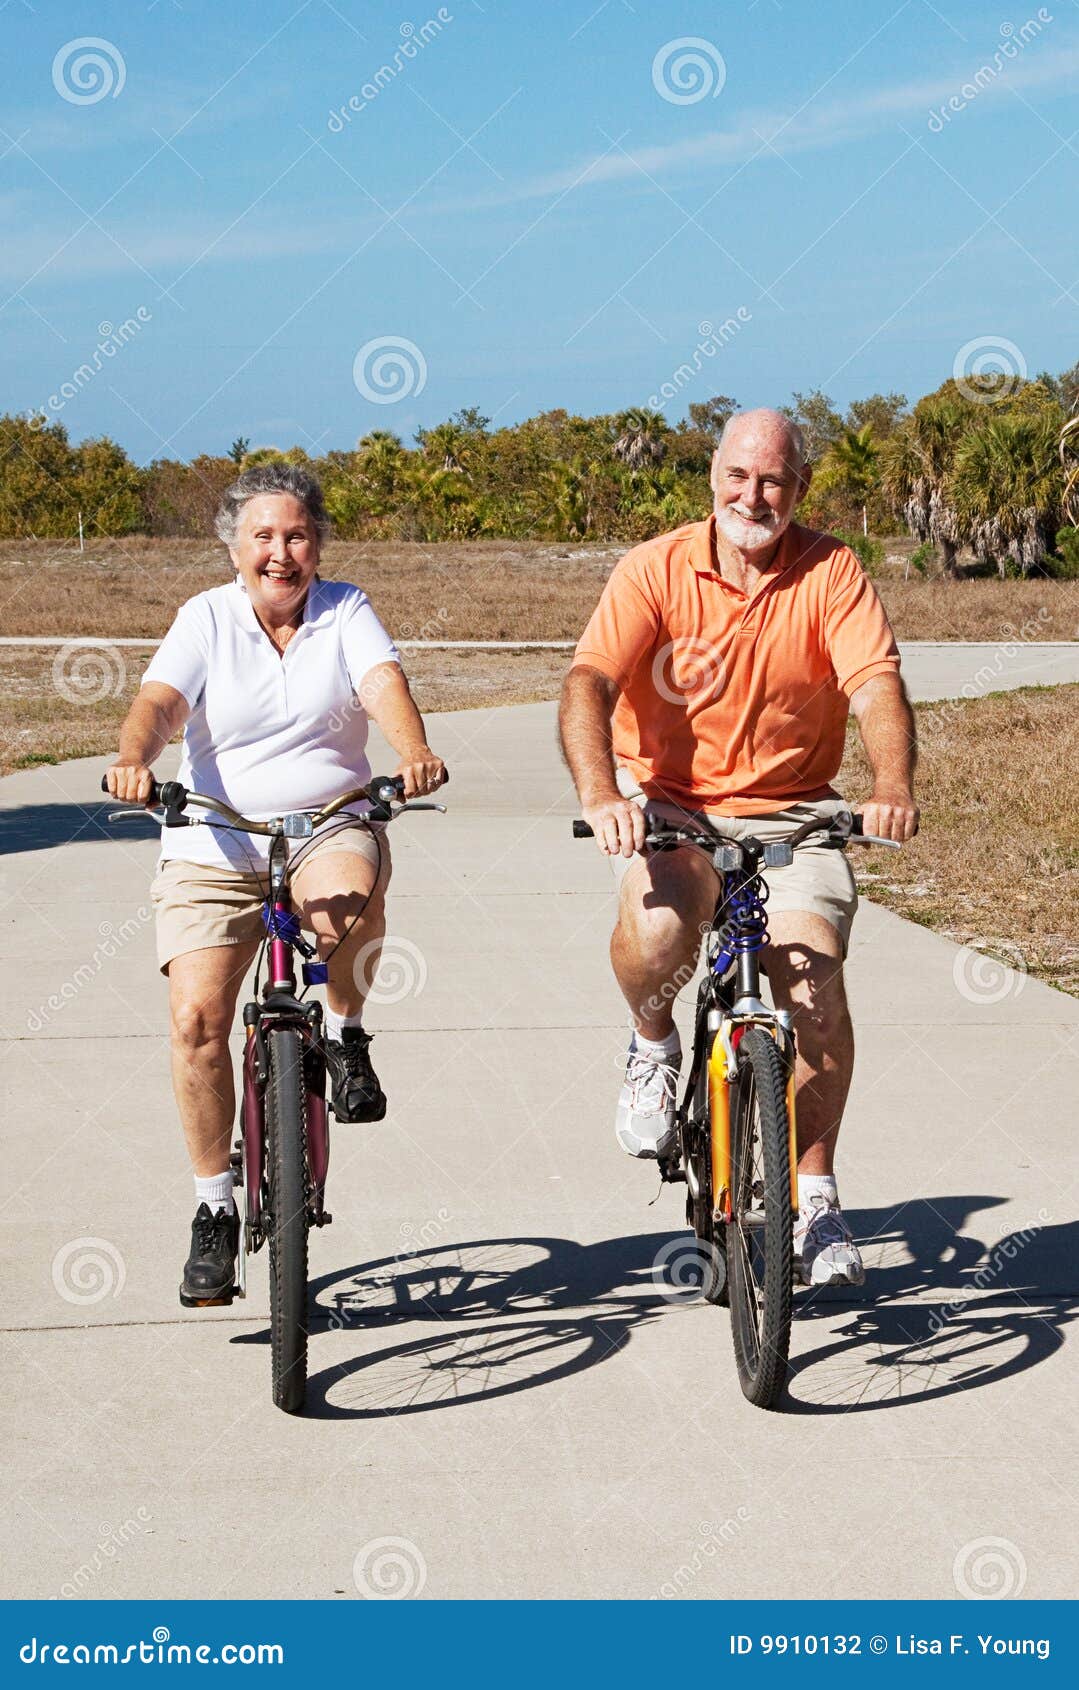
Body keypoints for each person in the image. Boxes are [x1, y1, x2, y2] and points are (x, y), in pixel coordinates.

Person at [559, 408, 918, 1287]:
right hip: (674, 809)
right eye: (736, 476)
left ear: (797, 489)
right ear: (711, 476)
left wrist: (891, 787)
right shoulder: (655, 566)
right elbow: (589, 681)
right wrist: (604, 796)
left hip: (795, 814)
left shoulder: (831, 569)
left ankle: (817, 1198)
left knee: (813, 990)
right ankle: (652, 1048)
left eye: (772, 481)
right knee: (657, 935)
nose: (751, 496)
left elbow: (874, 683)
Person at [106, 462, 446, 1306]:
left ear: (318, 543)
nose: (280, 553)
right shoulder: (206, 618)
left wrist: (411, 753)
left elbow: (381, 685)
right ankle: (213, 1209)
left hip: (325, 818)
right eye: (262, 536)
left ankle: (345, 1029)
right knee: (195, 1022)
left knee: (346, 899)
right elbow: (159, 703)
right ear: (233, 547)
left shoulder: (347, 610)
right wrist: (132, 761)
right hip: (213, 838)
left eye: (295, 535)